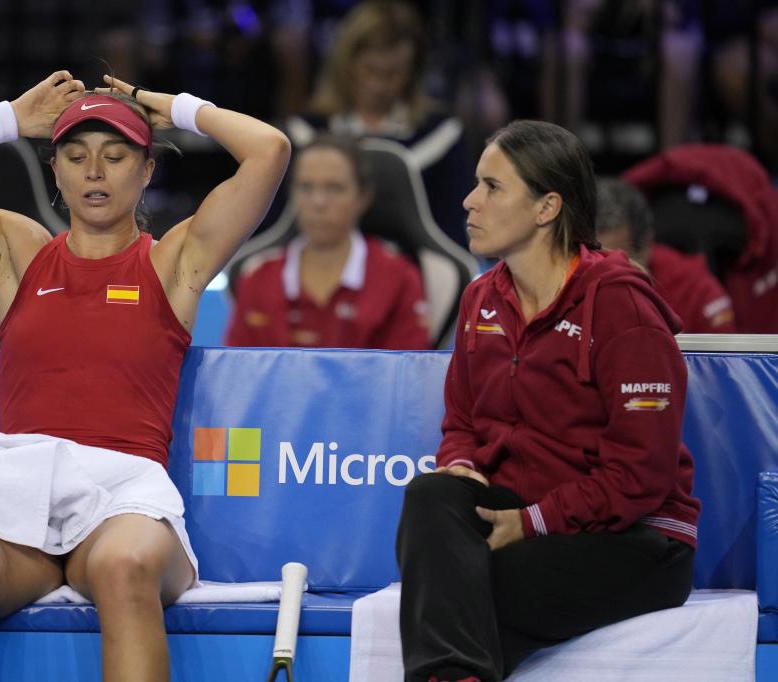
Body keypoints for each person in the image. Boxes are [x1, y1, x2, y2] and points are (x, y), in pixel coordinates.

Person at [0, 70, 290, 681]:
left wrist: (179, 108)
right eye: (76, 156)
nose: (95, 172)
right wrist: (7, 119)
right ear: (55, 172)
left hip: (124, 497)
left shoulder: (174, 262)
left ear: (146, 172)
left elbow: (269, 149)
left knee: (125, 567)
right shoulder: (18, 251)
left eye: (116, 157)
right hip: (18, 494)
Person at [396, 120, 699, 682]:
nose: (469, 201)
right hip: (526, 520)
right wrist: (461, 466)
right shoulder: (479, 300)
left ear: (547, 207)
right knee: (433, 497)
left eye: (492, 186)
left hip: (635, 541)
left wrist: (534, 521)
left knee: (459, 585)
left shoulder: (620, 304)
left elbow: (641, 475)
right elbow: (461, 423)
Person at [286, 0, 473, 247]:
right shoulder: (305, 132)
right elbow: (280, 233)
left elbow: (451, 239)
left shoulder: (442, 135)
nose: (379, 85)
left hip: (416, 276)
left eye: (394, 73)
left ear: (414, 72)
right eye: (370, 70)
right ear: (346, 65)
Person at [225, 135, 430, 349]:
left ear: (363, 197)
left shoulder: (399, 279)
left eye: (335, 188)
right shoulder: (257, 279)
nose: (318, 202)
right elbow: (239, 373)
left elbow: (407, 375)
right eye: (305, 187)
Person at [596, 177, 737, 333]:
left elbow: (721, 355)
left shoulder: (695, 289)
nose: (602, 276)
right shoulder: (570, 286)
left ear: (647, 244)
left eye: (618, 262)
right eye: (592, 258)